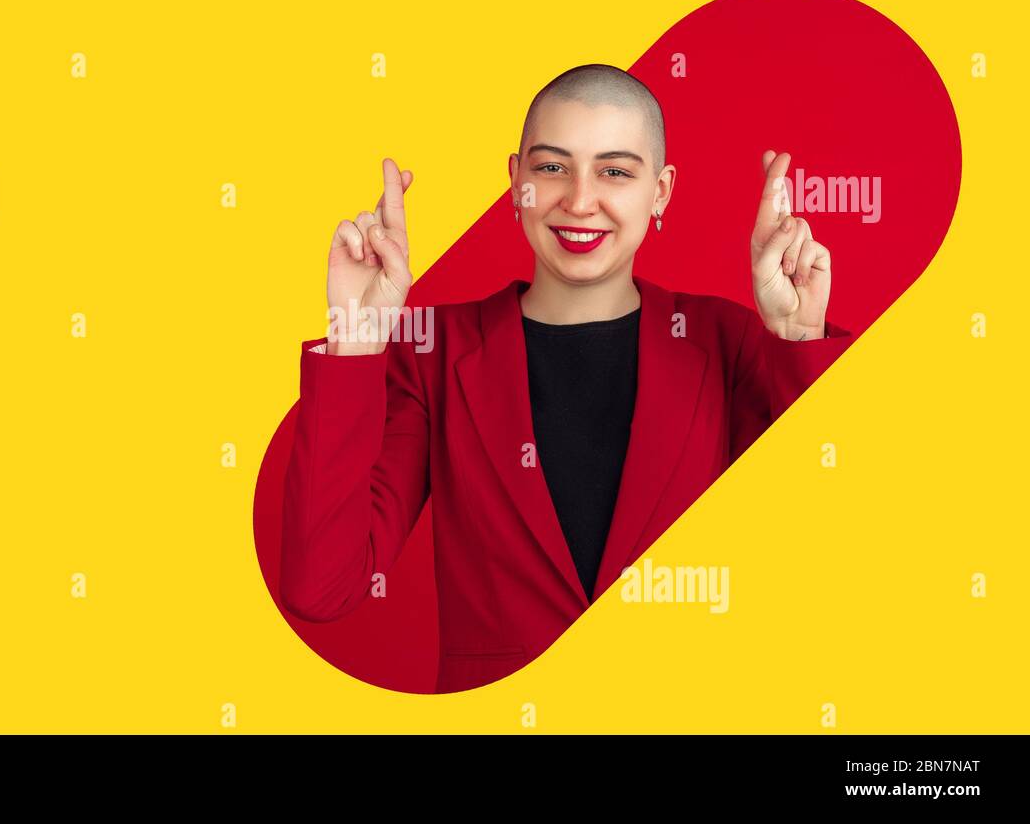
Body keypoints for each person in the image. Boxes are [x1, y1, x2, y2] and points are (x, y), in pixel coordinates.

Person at [280, 64, 853, 693]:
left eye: (615, 171)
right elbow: (323, 589)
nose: (580, 201)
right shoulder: (433, 354)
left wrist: (798, 340)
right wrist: (355, 337)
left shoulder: (730, 344)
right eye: (552, 167)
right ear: (516, 182)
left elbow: (834, 564)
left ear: (659, 192)